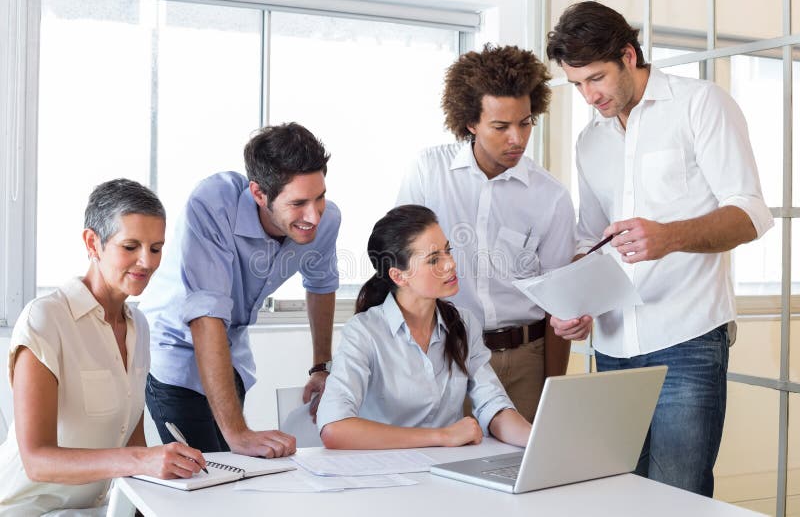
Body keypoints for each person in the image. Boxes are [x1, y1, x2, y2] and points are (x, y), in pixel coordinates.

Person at [546, 1, 773, 496]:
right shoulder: (590, 140)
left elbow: (752, 212)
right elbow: (591, 240)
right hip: (611, 348)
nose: (589, 95)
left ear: (628, 56)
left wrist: (669, 237)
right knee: (618, 495)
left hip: (686, 340)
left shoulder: (700, 104)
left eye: (596, 78)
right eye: (577, 84)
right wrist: (576, 303)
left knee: (678, 496)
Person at [0, 179, 206, 515]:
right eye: (130, 246)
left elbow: (133, 441)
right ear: (92, 243)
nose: (146, 262)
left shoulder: (139, 327)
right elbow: (37, 461)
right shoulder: (46, 319)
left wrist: (168, 478)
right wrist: (141, 460)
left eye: (155, 248)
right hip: (25, 509)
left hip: (95, 509)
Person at [396, 45, 576, 422]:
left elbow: (558, 301)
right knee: (447, 455)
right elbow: (401, 271)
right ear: (471, 123)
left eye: (525, 123)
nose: (517, 139)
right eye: (501, 127)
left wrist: (553, 391)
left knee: (525, 458)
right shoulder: (429, 173)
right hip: (448, 354)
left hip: (526, 360)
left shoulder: (552, 197)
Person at [140, 122, 340, 457]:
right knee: (207, 470)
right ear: (259, 194)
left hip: (229, 353)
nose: (314, 216)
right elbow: (206, 315)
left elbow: (321, 284)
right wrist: (238, 433)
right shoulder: (213, 204)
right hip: (174, 348)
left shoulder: (326, 220)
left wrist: (321, 367)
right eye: (298, 203)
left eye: (319, 197)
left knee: (235, 468)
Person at [317, 205, 531, 449]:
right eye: (434, 260)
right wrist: (442, 436)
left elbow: (493, 405)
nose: (450, 264)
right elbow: (334, 428)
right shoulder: (364, 331)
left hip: (447, 466)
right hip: (386, 467)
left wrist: (538, 441)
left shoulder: (463, 323)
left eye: (448, 251)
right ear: (399, 276)